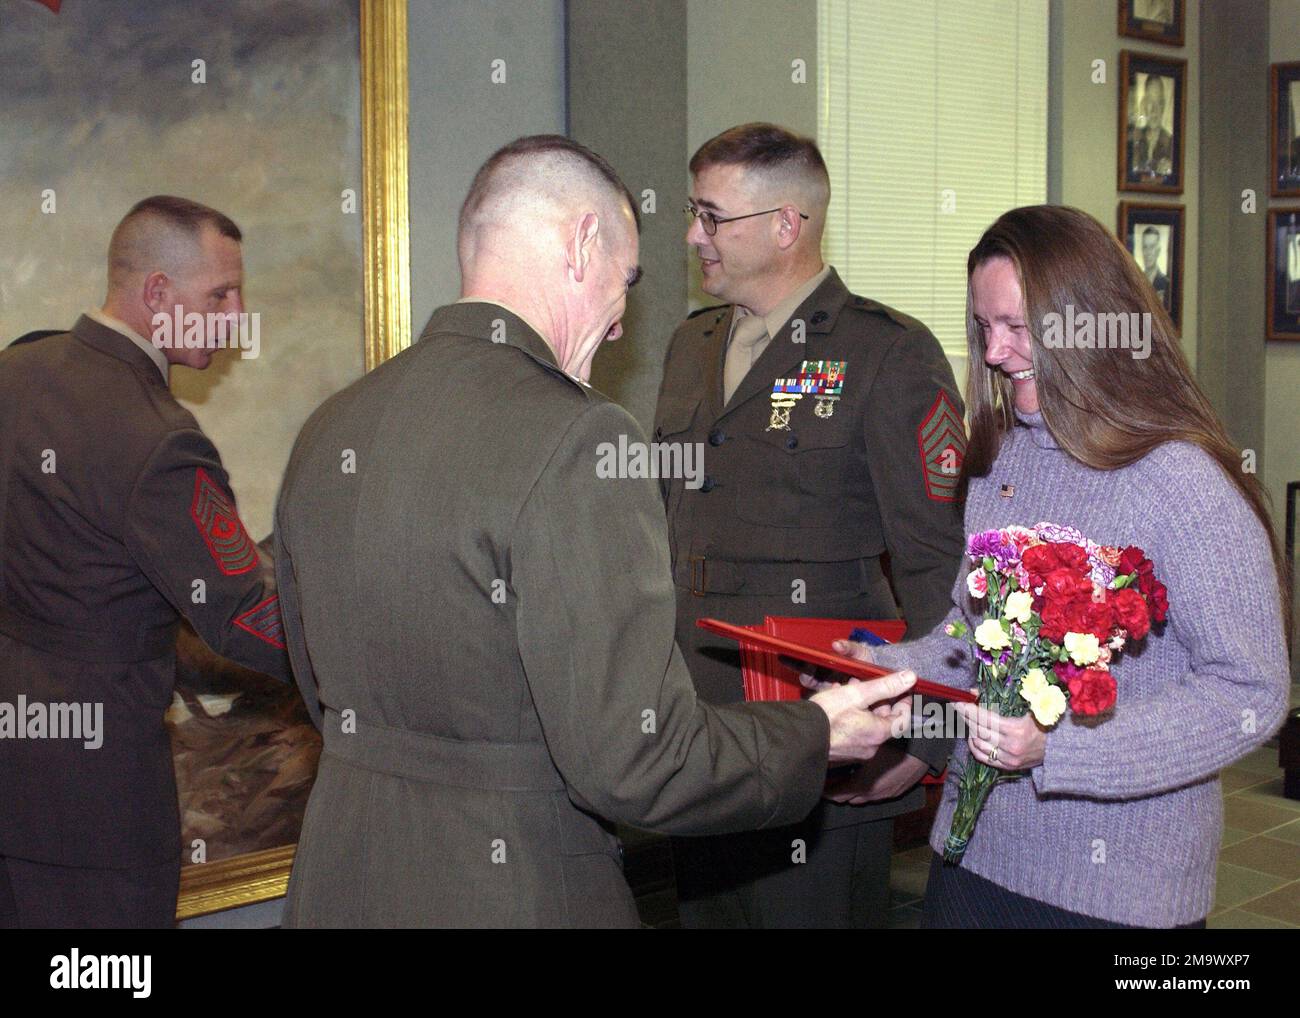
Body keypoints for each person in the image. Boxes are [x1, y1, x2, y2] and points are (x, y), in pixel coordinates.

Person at [272, 135, 918, 929]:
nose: (620, 329)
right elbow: (636, 761)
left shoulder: (332, 425)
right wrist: (816, 732)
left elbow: (313, 683)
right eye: (628, 281)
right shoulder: (576, 439)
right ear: (582, 245)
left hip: (342, 877)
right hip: (515, 888)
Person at [831, 204, 1291, 928]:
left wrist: (1061, 749)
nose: (992, 352)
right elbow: (972, 631)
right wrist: (885, 668)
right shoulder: (1001, 460)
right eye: (983, 328)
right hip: (972, 859)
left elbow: (1252, 691)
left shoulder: (1182, 481)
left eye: (1017, 328)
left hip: (1119, 894)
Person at [655, 123, 966, 929]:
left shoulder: (885, 353)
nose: (694, 235)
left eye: (711, 215)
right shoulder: (691, 346)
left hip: (827, 728)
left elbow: (940, 563)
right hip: (705, 732)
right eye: (695, 212)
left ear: (786, 225)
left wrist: (927, 736)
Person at [0, 196, 292, 928]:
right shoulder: (158, 438)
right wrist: (377, 662)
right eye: (219, 294)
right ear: (157, 293)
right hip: (95, 799)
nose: (237, 317)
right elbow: (246, 616)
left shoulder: (16, 369)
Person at [1128, 76, 1174, 178]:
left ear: (1163, 106)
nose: (1154, 110)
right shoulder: (1133, 138)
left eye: (1158, 102)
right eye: (1150, 102)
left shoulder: (1171, 143)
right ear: (1144, 104)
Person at [1139, 226, 1170, 310]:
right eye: (1145, 247)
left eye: (1152, 247)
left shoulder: (1166, 284)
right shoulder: (1136, 282)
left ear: (1158, 250)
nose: (1148, 252)